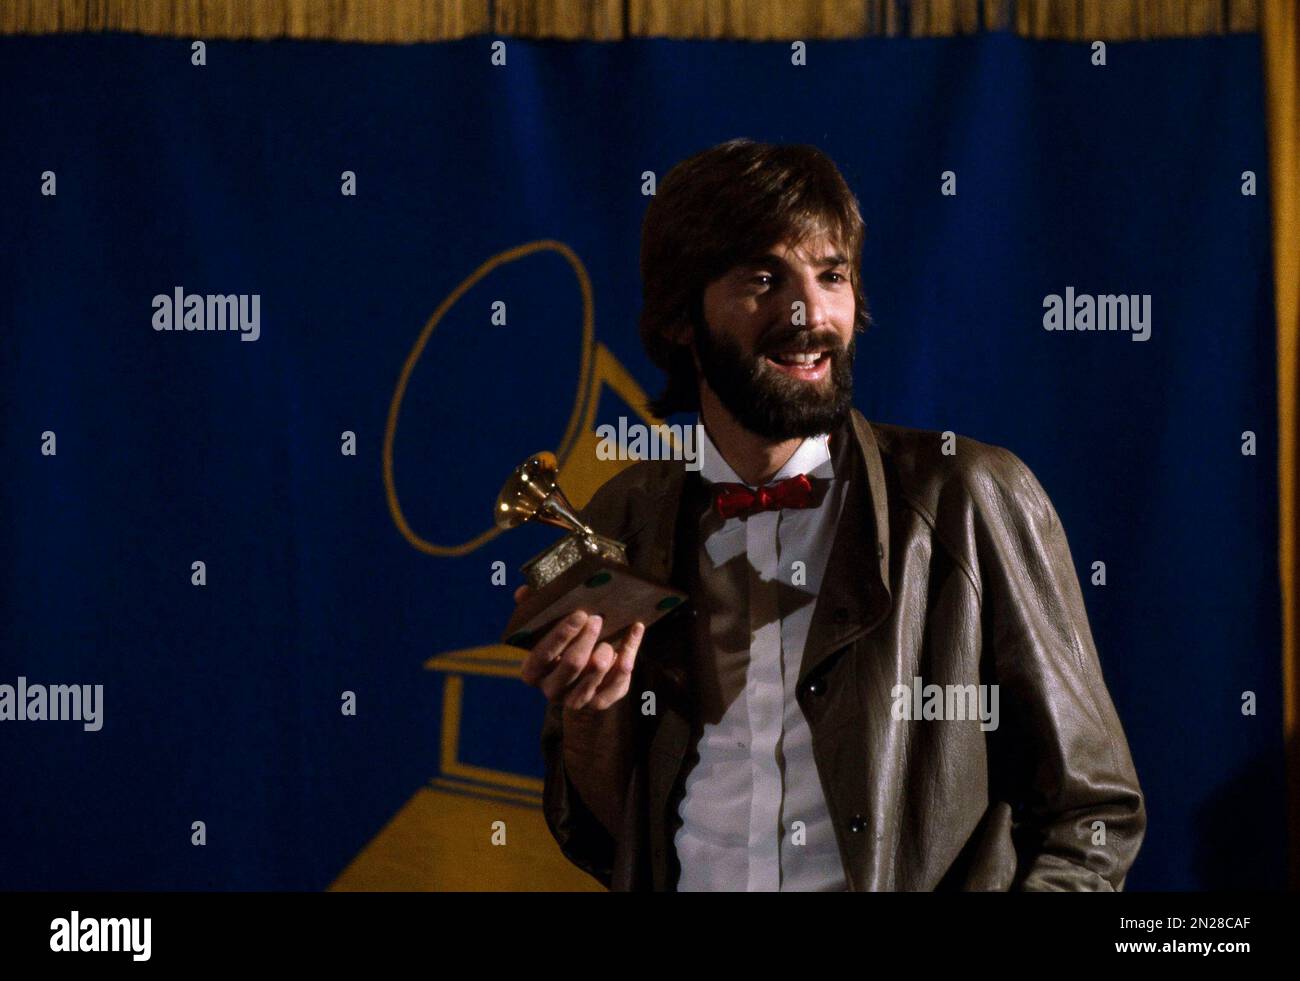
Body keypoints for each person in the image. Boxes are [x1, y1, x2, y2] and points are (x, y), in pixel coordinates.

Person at [517, 138, 1146, 891]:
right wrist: (590, 713)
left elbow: (1094, 813)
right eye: (762, 277)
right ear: (683, 317)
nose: (808, 314)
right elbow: (609, 833)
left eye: (832, 275)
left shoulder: (971, 496)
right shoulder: (623, 514)